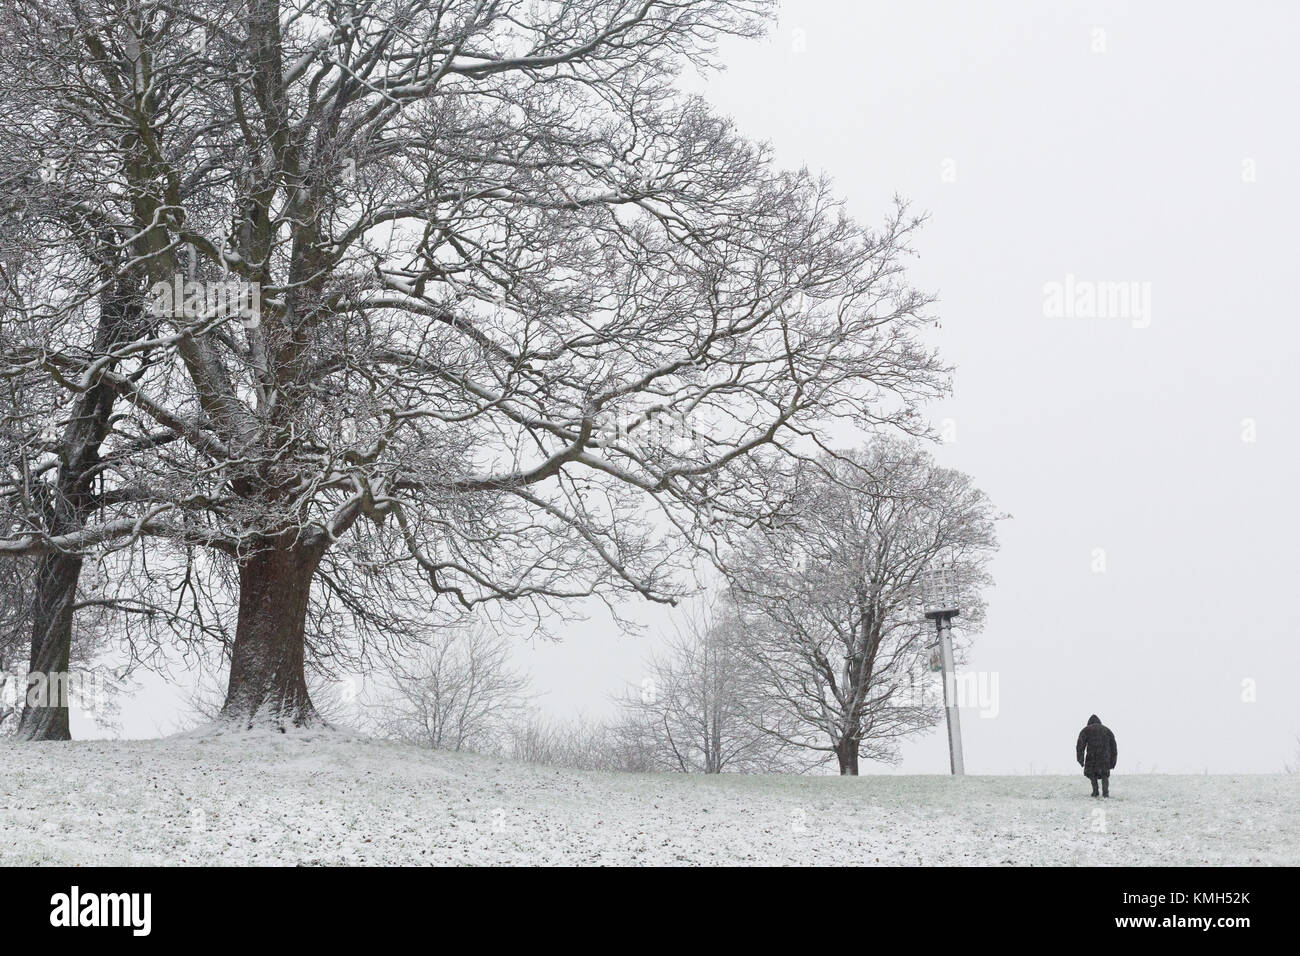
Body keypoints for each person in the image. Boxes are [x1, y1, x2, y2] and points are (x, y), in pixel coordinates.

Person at [1076, 714, 1118, 797]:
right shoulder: (1107, 730)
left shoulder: (1086, 730)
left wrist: (1080, 759)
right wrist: (1113, 761)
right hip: (1105, 757)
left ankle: (1095, 791)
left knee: (1092, 774)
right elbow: (1114, 748)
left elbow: (1080, 746)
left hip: (1092, 757)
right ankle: (1105, 792)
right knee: (1104, 774)